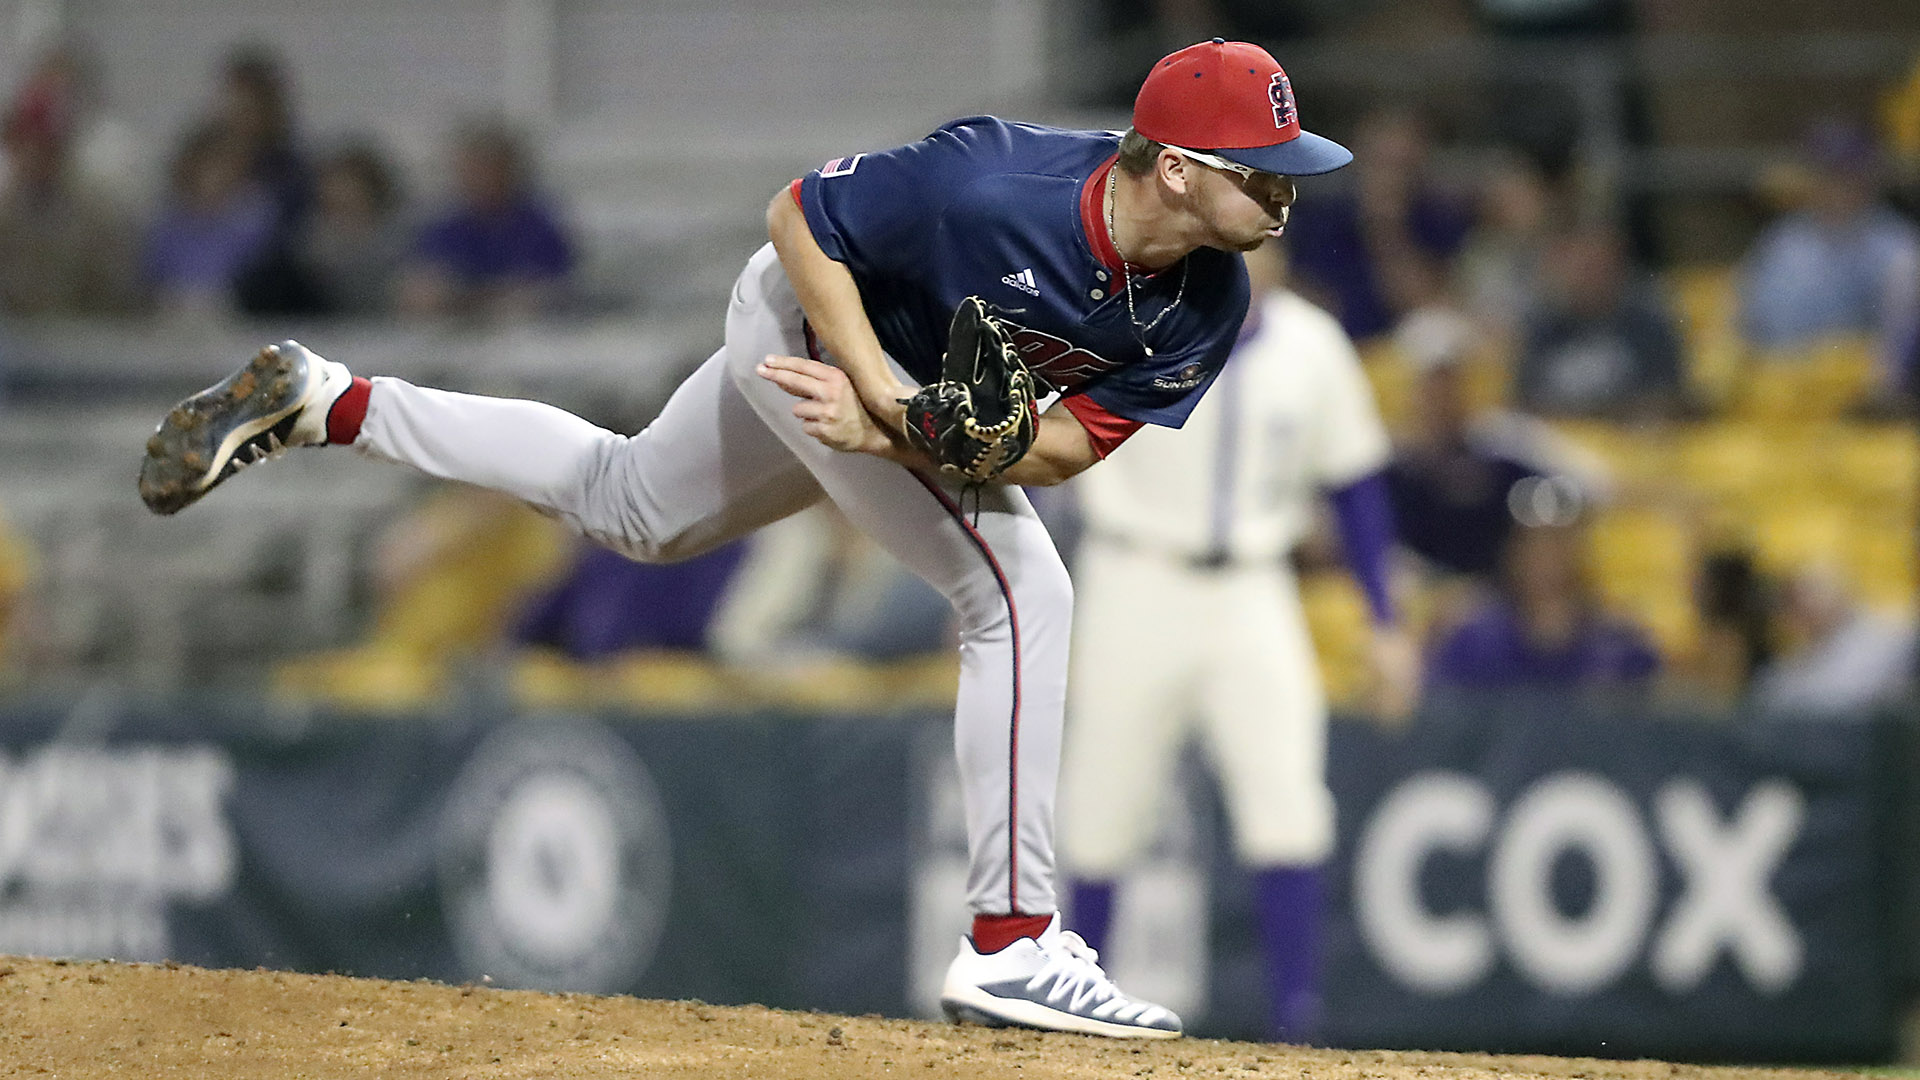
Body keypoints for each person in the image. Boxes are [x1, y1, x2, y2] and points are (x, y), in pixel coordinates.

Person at [136, 38, 1352, 1039]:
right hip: (808, 322)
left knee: (630, 505)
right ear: (1177, 169)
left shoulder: (1212, 297)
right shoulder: (993, 181)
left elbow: (1073, 446)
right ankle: (1012, 939)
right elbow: (799, 217)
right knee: (1024, 592)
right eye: (1263, 172)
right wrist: (884, 398)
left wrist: (918, 434)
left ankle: (330, 402)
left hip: (891, 402)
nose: (1286, 192)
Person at [1056, 239, 1414, 1044]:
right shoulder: (1134, 320)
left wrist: (1385, 620)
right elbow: (1054, 443)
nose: (1254, 252)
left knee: (1287, 802)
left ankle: (1297, 1021)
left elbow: (1356, 483)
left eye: (1268, 237)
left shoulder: (1311, 344)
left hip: (1255, 585)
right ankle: (1075, 1006)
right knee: (1102, 804)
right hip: (1134, 575)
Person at [1736, 119, 1920, 395]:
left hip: (1851, 398)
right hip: (1772, 394)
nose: (1837, 187)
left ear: (1871, 177)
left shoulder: (1898, 248)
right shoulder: (1782, 239)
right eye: (1827, 174)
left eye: (1849, 174)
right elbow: (1741, 322)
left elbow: (1895, 358)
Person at [396, 118, 575, 321]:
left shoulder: (539, 226)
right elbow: (426, 281)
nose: (478, 179)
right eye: (471, 170)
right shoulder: (445, 225)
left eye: (487, 169)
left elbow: (542, 287)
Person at [1511, 217, 1688, 420]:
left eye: (1598, 264)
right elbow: (1525, 403)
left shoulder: (1649, 326)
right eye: (1581, 267)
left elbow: (1669, 401)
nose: (1589, 276)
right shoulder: (1542, 328)